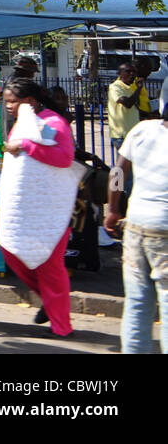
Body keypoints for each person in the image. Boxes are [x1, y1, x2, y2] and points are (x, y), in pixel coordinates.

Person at [0, 77, 77, 337]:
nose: (8, 106)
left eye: (13, 101)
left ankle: (61, 325)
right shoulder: (23, 122)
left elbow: (64, 158)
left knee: (51, 269)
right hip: (23, 212)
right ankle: (48, 300)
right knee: (12, 252)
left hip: (51, 213)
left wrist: (25, 146)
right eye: (6, 101)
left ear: (30, 101)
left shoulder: (54, 123)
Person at [104, 113, 168, 353]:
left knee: (137, 303)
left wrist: (112, 209)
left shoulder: (142, 130)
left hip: (136, 224)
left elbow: (118, 172)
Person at [108, 63, 145, 157]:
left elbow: (133, 109)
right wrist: (139, 89)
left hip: (132, 134)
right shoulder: (115, 87)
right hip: (121, 135)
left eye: (134, 72)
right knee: (125, 168)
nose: (132, 74)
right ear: (120, 74)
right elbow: (127, 103)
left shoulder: (129, 89)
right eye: (128, 71)